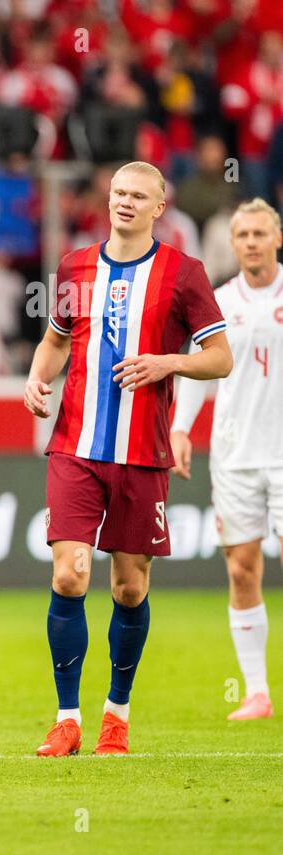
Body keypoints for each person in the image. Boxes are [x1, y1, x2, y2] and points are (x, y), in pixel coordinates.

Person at [23, 161, 232, 759]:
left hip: (143, 453)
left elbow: (220, 358)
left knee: (130, 589)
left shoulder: (183, 274)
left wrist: (168, 363)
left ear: (158, 207)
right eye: (118, 192)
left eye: (138, 195)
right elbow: (57, 340)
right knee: (68, 573)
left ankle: (117, 714)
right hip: (75, 447)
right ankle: (67, 718)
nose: (125, 202)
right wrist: (37, 381)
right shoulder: (74, 267)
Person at [171, 198, 283, 721]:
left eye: (261, 233)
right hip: (236, 455)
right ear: (233, 243)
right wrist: (179, 427)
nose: (253, 242)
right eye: (244, 235)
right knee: (241, 569)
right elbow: (198, 368)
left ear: (277, 239)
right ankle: (256, 692)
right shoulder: (217, 303)